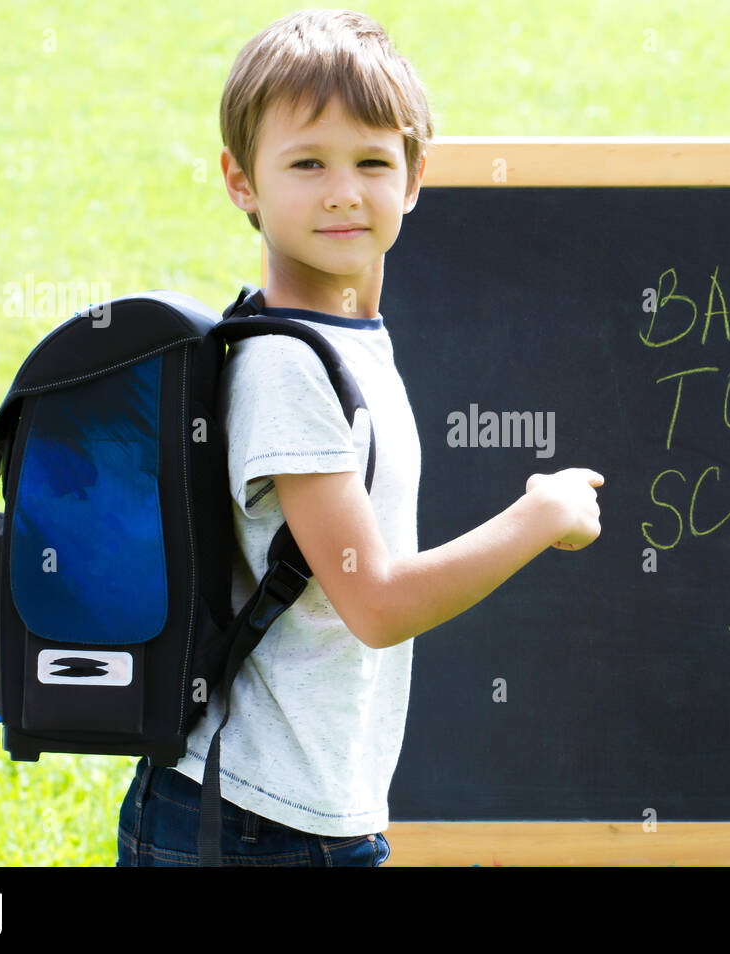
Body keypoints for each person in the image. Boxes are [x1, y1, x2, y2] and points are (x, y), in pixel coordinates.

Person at [116, 8, 603, 867]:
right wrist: (539, 515)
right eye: (307, 163)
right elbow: (373, 603)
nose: (344, 190)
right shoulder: (287, 370)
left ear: (414, 178)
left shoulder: (346, 342)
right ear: (241, 181)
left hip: (305, 813)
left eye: (373, 161)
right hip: (247, 824)